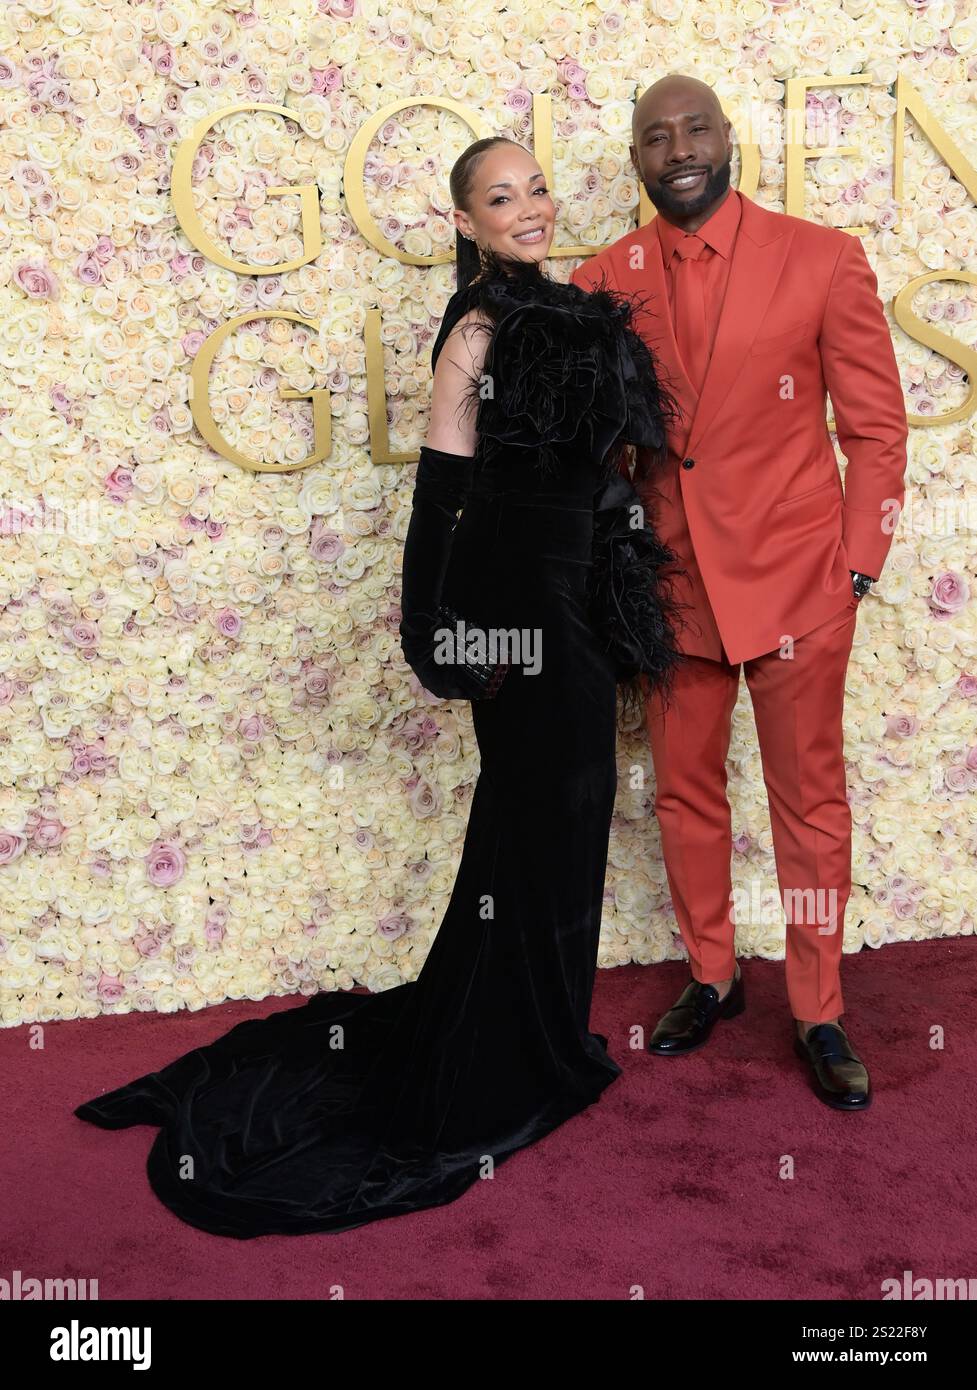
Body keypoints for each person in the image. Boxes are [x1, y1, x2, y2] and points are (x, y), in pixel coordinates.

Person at [73, 137, 686, 1237]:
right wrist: (434, 629)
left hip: (581, 601)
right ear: (465, 223)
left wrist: (617, 557)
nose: (530, 208)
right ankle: (494, 1070)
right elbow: (442, 492)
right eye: (501, 198)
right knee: (531, 820)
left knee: (568, 818)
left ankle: (540, 1040)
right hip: (515, 613)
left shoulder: (581, 315)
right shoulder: (477, 325)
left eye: (536, 187)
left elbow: (600, 470)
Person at [571, 75, 908, 1110]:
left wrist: (855, 565)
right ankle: (710, 976)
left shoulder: (820, 258)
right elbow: (595, 445)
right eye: (652, 136)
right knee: (681, 791)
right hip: (669, 590)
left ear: (728, 140)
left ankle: (814, 1004)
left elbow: (874, 427)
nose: (676, 148)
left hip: (800, 584)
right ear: (634, 160)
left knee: (808, 801)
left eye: (694, 128)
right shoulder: (602, 279)